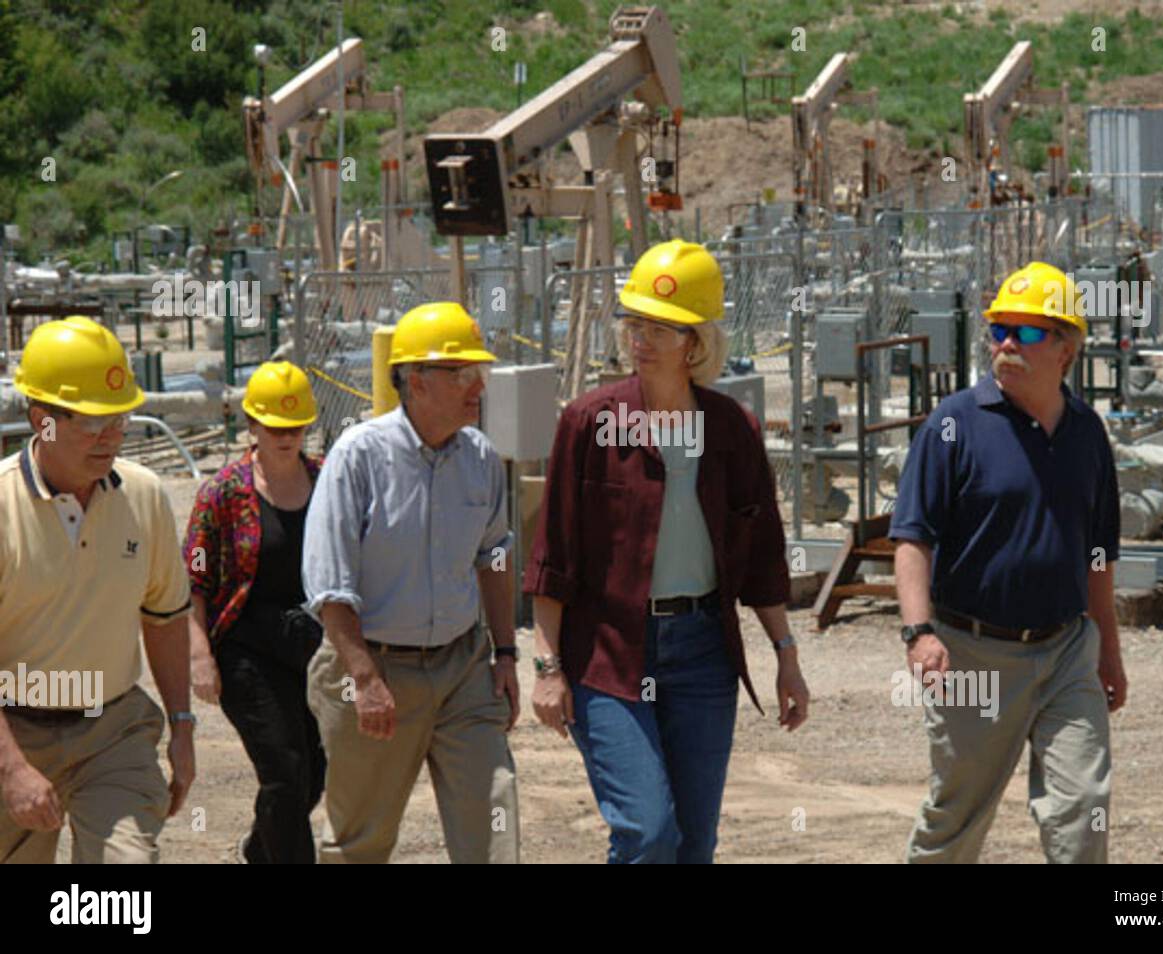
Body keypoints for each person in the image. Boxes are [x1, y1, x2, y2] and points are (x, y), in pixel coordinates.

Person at [525, 239, 811, 864]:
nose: (643, 339)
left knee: (693, 844)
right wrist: (547, 666)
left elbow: (762, 555)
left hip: (704, 652)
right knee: (648, 829)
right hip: (608, 651)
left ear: (696, 341)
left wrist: (786, 656)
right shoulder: (588, 422)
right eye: (636, 324)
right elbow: (554, 555)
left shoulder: (732, 428)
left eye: (662, 327)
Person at [889, 261, 1126, 864]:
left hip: (1069, 649)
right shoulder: (954, 426)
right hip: (974, 651)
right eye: (999, 330)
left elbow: (1098, 554)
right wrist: (918, 634)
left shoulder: (1087, 433)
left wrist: (1108, 652)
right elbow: (911, 536)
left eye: (1026, 333)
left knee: (1083, 811)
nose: (1006, 345)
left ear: (1066, 351)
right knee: (958, 817)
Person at [302, 302, 520, 864]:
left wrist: (506, 652)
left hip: (463, 668)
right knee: (361, 842)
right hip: (372, 666)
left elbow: (494, 558)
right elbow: (330, 585)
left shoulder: (482, 458)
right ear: (416, 382)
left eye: (481, 374)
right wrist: (365, 678)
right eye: (463, 374)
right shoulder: (358, 457)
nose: (478, 387)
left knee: (493, 819)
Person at [0, 316, 194, 863]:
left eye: (121, 419)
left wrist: (182, 724)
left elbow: (165, 617)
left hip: (112, 733)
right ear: (44, 422)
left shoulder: (145, 497)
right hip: (14, 731)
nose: (112, 436)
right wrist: (12, 769)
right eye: (93, 422)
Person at [185, 360, 325, 863]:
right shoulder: (222, 492)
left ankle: (260, 851)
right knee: (285, 772)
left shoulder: (326, 480)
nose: (286, 436)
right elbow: (193, 579)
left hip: (311, 648)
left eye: (295, 426)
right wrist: (199, 654)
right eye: (273, 426)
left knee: (313, 772)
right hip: (247, 650)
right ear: (252, 425)